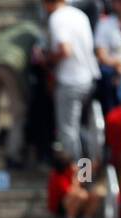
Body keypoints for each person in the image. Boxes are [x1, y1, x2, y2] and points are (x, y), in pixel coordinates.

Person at [41, 0, 99, 161]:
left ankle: (75, 178)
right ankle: (85, 177)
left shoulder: (57, 18)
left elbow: (65, 50)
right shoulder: (80, 15)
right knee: (83, 130)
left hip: (71, 81)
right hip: (89, 78)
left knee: (68, 132)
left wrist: (47, 58)